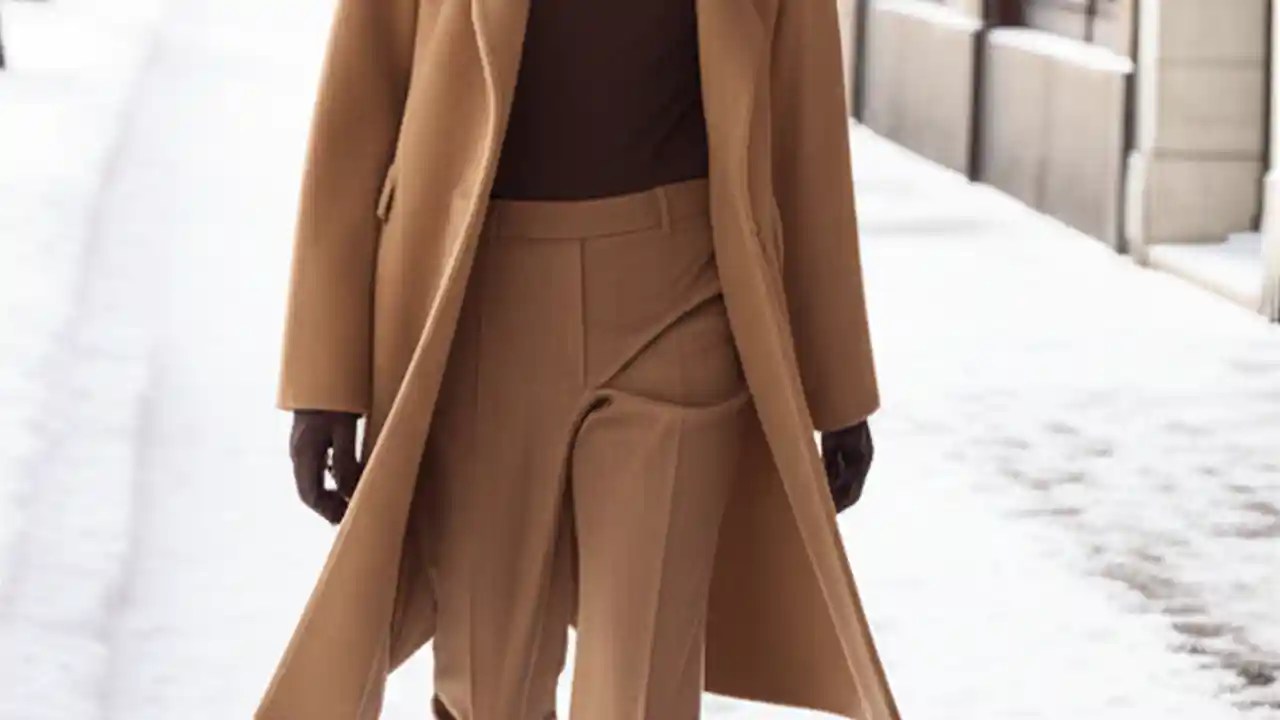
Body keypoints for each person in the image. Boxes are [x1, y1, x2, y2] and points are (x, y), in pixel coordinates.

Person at [258, 0, 900, 718]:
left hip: (683, 297)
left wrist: (836, 384)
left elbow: (803, 129)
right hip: (477, 307)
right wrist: (324, 378)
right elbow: (357, 109)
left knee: (643, 683)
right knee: (486, 680)